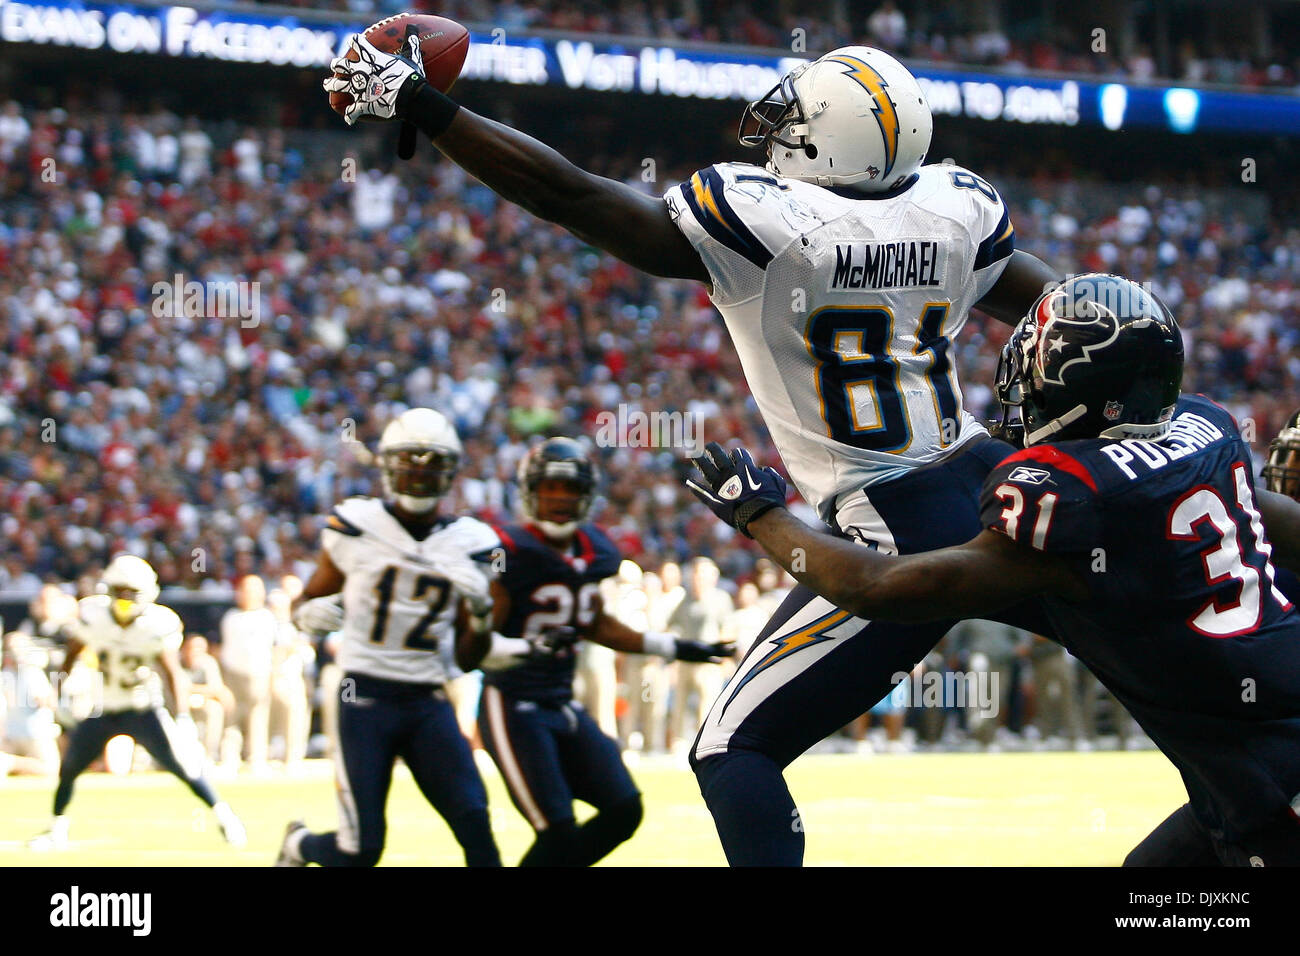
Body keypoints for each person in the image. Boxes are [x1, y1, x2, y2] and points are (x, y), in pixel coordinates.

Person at [325, 38, 1058, 866]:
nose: (781, 120)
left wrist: (429, 108)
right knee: (1145, 653)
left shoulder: (770, 222)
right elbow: (1056, 302)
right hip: (991, 476)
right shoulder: (955, 207)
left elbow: (568, 194)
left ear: (828, 138)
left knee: (730, 748)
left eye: (802, 112)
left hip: (890, 516)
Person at [688, 273, 1300, 865]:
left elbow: (878, 587)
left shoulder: (1073, 495)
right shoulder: (1206, 428)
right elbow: (1279, 517)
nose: (1021, 388)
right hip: (1253, 746)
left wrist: (759, 513)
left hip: (1264, 782)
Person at [467, 437, 733, 866]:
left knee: (623, 809)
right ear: (530, 492)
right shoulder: (507, 551)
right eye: (550, 488)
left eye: (569, 489)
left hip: (560, 700)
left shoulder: (596, 550)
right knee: (557, 829)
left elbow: (596, 624)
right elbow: (475, 649)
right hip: (512, 702)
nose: (559, 498)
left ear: (586, 496)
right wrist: (525, 647)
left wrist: (675, 646)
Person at [276, 408, 502, 867]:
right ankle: (298, 845)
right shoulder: (355, 525)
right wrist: (305, 616)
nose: (419, 477)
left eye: (430, 466)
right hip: (364, 698)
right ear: (387, 467)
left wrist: (480, 615)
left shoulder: (474, 542)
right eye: (409, 465)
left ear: (450, 473)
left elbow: (469, 657)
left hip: (427, 700)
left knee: (477, 829)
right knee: (361, 852)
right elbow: (305, 603)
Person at [28, 555, 245, 850]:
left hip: (142, 707)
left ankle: (226, 817)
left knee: (184, 766)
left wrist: (181, 716)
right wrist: (57, 690)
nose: (125, 599)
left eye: (132, 593)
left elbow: (172, 673)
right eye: (120, 591)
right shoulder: (94, 615)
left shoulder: (156, 624)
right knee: (69, 768)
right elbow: (72, 653)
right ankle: (57, 829)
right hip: (105, 707)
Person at [219, 575, 275, 770]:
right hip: (233, 673)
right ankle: (229, 758)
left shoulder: (267, 617)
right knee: (231, 717)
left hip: (259, 674)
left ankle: (257, 759)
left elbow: (272, 650)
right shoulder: (230, 617)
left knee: (258, 717)